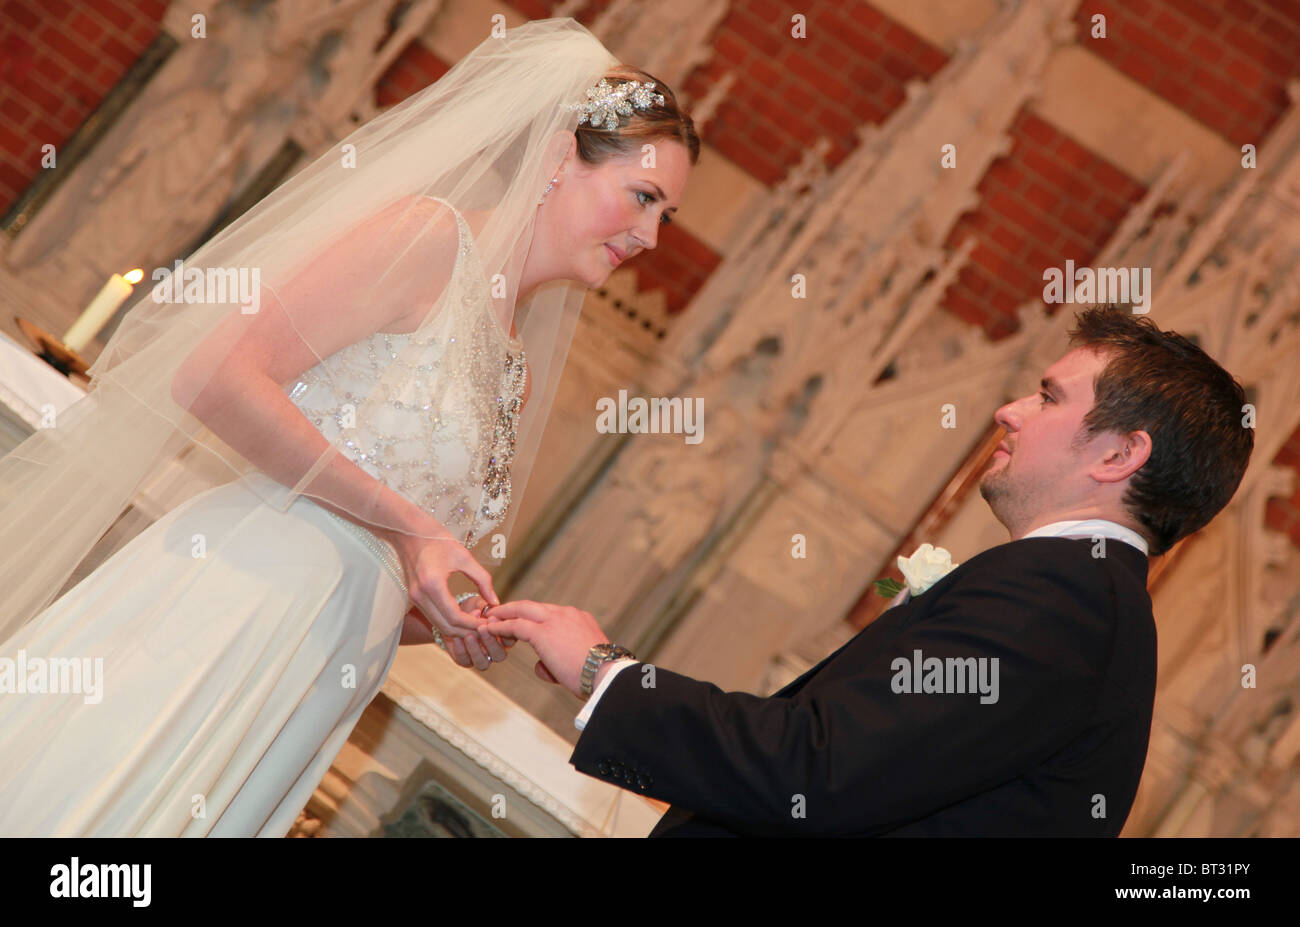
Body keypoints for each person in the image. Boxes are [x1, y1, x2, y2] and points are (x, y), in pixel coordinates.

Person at [0, 18, 697, 836]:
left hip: (318, 671)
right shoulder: (428, 240)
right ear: (556, 158)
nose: (649, 237)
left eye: (667, 217)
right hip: (237, 605)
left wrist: (451, 616)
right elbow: (214, 374)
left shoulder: (516, 369)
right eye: (642, 197)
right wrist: (411, 524)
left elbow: (392, 567)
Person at [485, 307, 1255, 836]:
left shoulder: (1058, 601)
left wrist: (606, 672)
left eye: (1049, 397)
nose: (1010, 410)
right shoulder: (1085, 600)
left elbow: (815, 772)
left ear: (1120, 454)